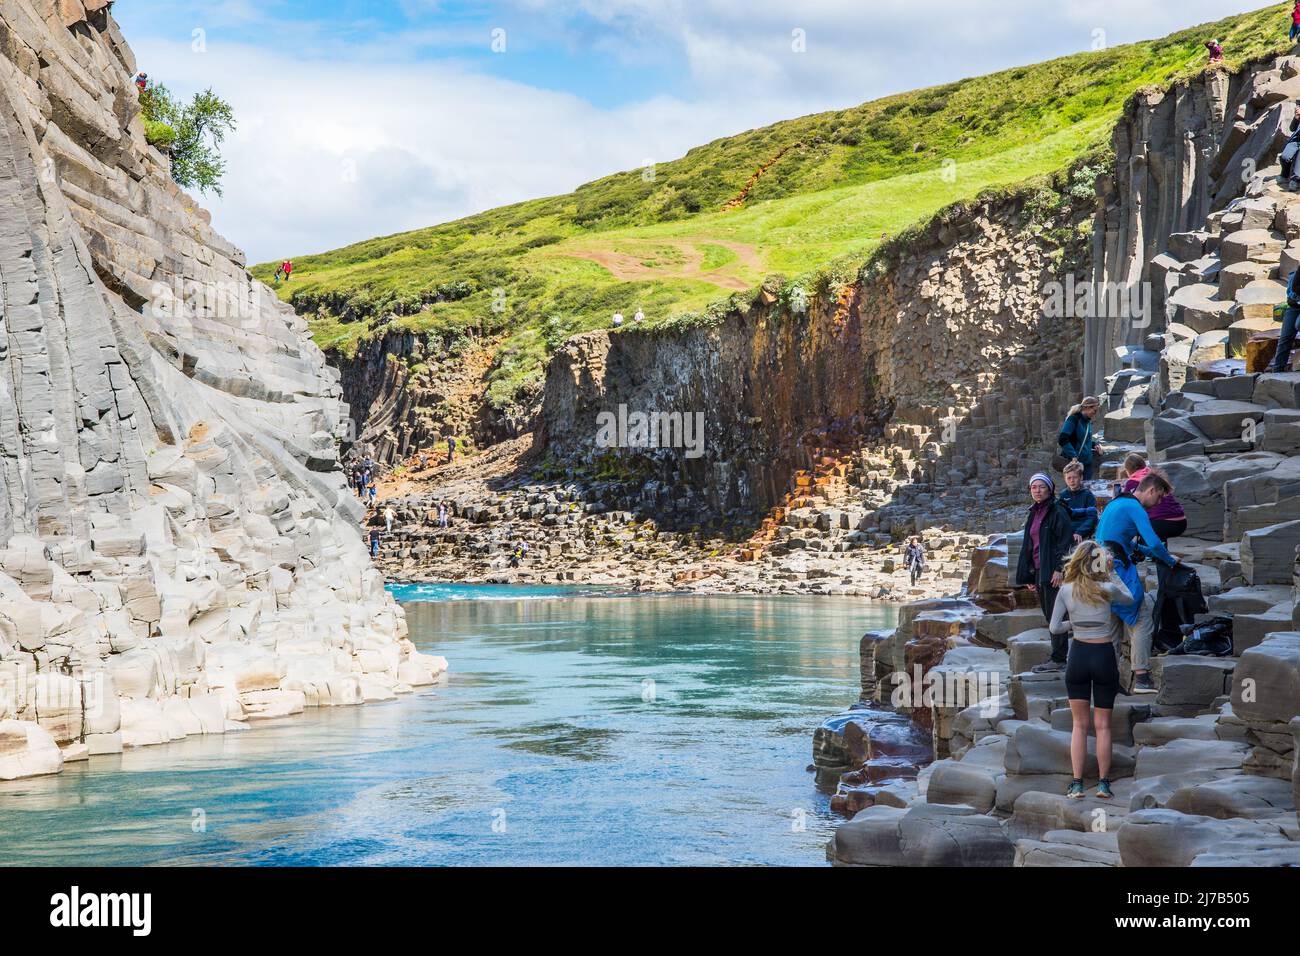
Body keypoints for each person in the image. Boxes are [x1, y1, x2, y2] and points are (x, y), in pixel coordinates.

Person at [1050, 541, 1138, 801]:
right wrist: (1111, 572)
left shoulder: (1066, 590)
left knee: (1079, 725)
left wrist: (1075, 623)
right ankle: (1103, 784)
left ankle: (1076, 785)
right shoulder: (1107, 588)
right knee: (1103, 726)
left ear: (1076, 561)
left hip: (1078, 655)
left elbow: (1055, 627)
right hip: (1103, 656)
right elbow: (1130, 600)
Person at [1096, 471, 1182, 694]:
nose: (1159, 503)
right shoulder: (1135, 508)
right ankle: (1142, 678)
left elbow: (1123, 541)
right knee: (1142, 620)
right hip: (1118, 572)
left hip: (1099, 572)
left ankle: (1109, 683)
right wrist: (1168, 560)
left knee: (1113, 626)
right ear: (1151, 490)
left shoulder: (1116, 504)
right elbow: (1154, 542)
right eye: (1160, 497)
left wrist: (1148, 552)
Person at [1017, 473, 1075, 674]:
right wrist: (1029, 575)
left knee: (1055, 615)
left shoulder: (1057, 511)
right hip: (1040, 571)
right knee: (1049, 613)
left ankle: (1059, 658)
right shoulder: (1034, 512)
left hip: (1053, 571)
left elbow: (1066, 542)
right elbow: (1029, 545)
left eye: (1042, 487)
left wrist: (1060, 569)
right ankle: (1058, 655)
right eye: (1034, 487)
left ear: (1050, 489)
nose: (1038, 491)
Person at [1122, 455, 1187, 543]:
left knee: (1142, 529)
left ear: (1128, 470)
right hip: (1181, 521)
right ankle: (1162, 553)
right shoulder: (1155, 477)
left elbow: (1125, 505)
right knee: (1156, 530)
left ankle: (1150, 554)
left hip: (1163, 523)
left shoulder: (1132, 482)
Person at [1058, 396, 1103, 480]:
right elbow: (1063, 438)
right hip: (1076, 463)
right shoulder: (1073, 419)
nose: (1095, 413)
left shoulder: (1087, 421)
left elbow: (1085, 440)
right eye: (1094, 410)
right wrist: (1073, 455)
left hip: (1086, 463)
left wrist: (1095, 445)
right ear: (1087, 408)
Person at [1058, 461, 1098, 543]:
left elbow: (1092, 517)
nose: (1072, 481)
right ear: (1065, 479)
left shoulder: (1088, 495)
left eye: (1075, 477)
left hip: (1083, 531)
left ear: (1081, 477)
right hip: (1067, 531)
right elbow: (1061, 517)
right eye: (1069, 478)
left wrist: (1080, 532)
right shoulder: (1063, 495)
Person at [1271, 267, 1300, 373]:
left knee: (1298, 325)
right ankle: (1277, 370)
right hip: (1294, 303)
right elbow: (1295, 287)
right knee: (1285, 337)